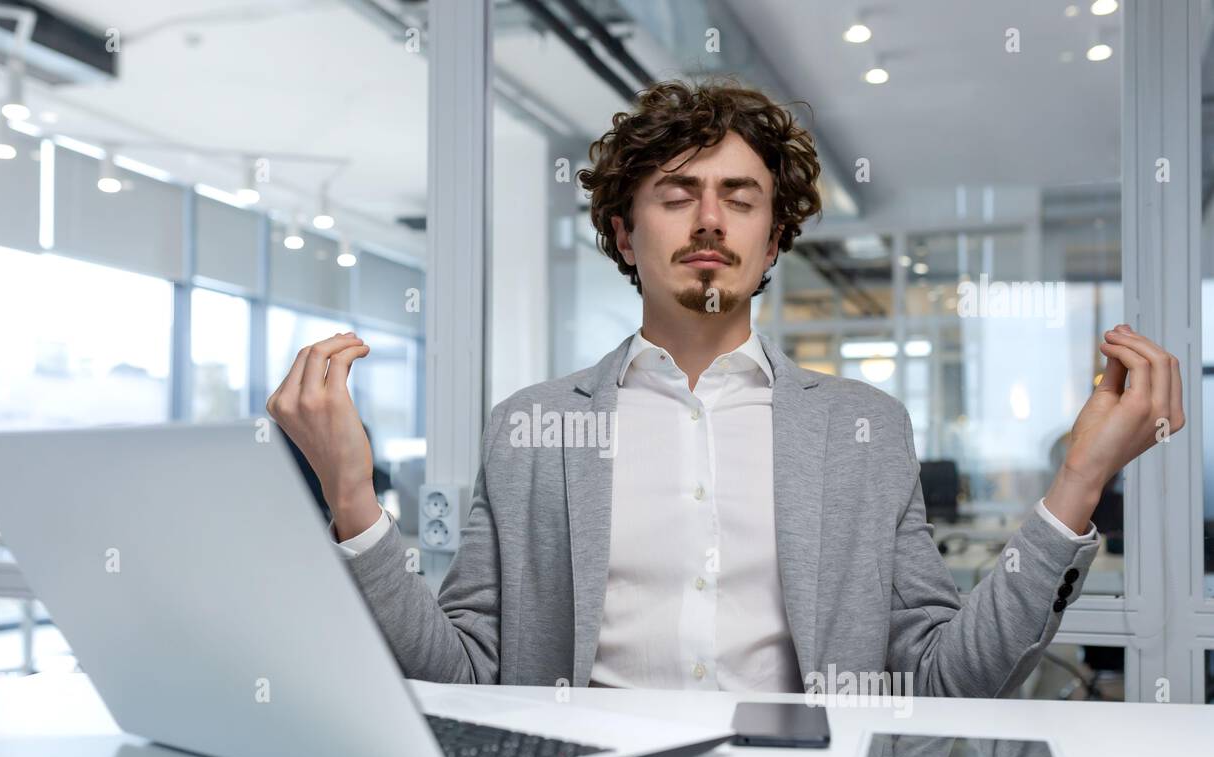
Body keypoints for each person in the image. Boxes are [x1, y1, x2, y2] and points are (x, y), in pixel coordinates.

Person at [267, 78, 1184, 697]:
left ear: (775, 240)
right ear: (625, 235)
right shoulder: (534, 429)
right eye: (677, 192)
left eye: (741, 198)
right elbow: (456, 677)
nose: (710, 219)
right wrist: (351, 498)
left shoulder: (865, 429)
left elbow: (946, 678)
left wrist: (1078, 484)